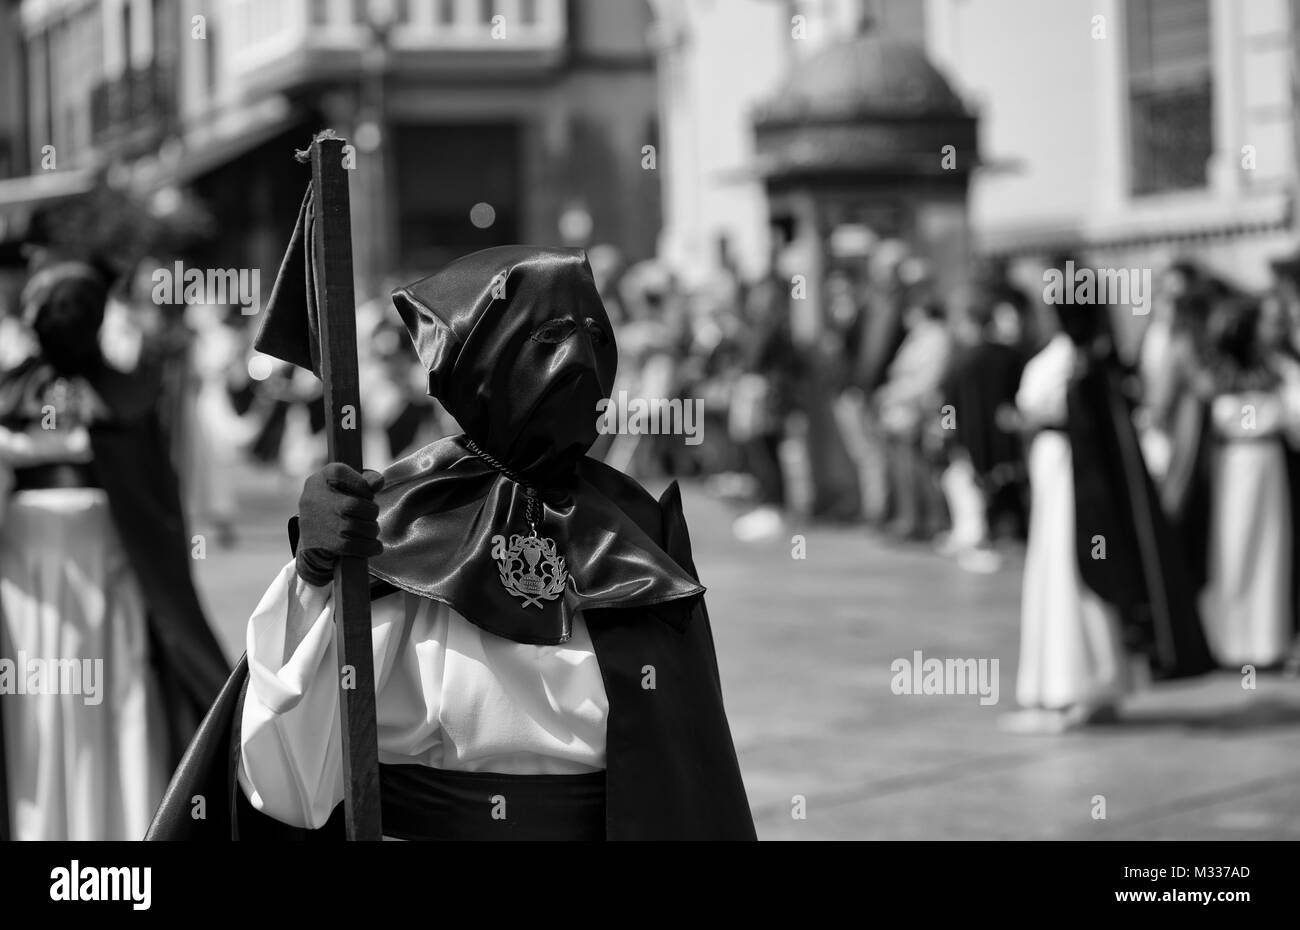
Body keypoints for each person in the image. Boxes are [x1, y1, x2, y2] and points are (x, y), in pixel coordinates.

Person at [148, 246, 756, 840]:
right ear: (486, 356)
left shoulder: (640, 538)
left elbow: (692, 778)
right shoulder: (398, 522)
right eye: (549, 337)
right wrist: (312, 578)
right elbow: (291, 784)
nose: (578, 357)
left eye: (595, 332)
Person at [0, 260, 229, 840]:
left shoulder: (127, 398)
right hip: (26, 600)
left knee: (114, 704)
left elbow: (156, 511)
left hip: (111, 585)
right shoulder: (22, 392)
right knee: (41, 713)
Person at [1003, 274, 1213, 734]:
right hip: (1062, 478)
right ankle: (1091, 683)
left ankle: (1073, 688)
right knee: (1067, 576)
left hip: (1072, 488)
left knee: (1071, 576)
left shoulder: (1073, 364)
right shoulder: (1089, 361)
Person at [1196, 299, 1300, 669]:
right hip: (1235, 467)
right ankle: (1233, 642)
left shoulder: (1278, 371)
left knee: (1269, 552)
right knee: (1233, 550)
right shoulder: (1220, 374)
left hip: (1265, 466)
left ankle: (1266, 640)